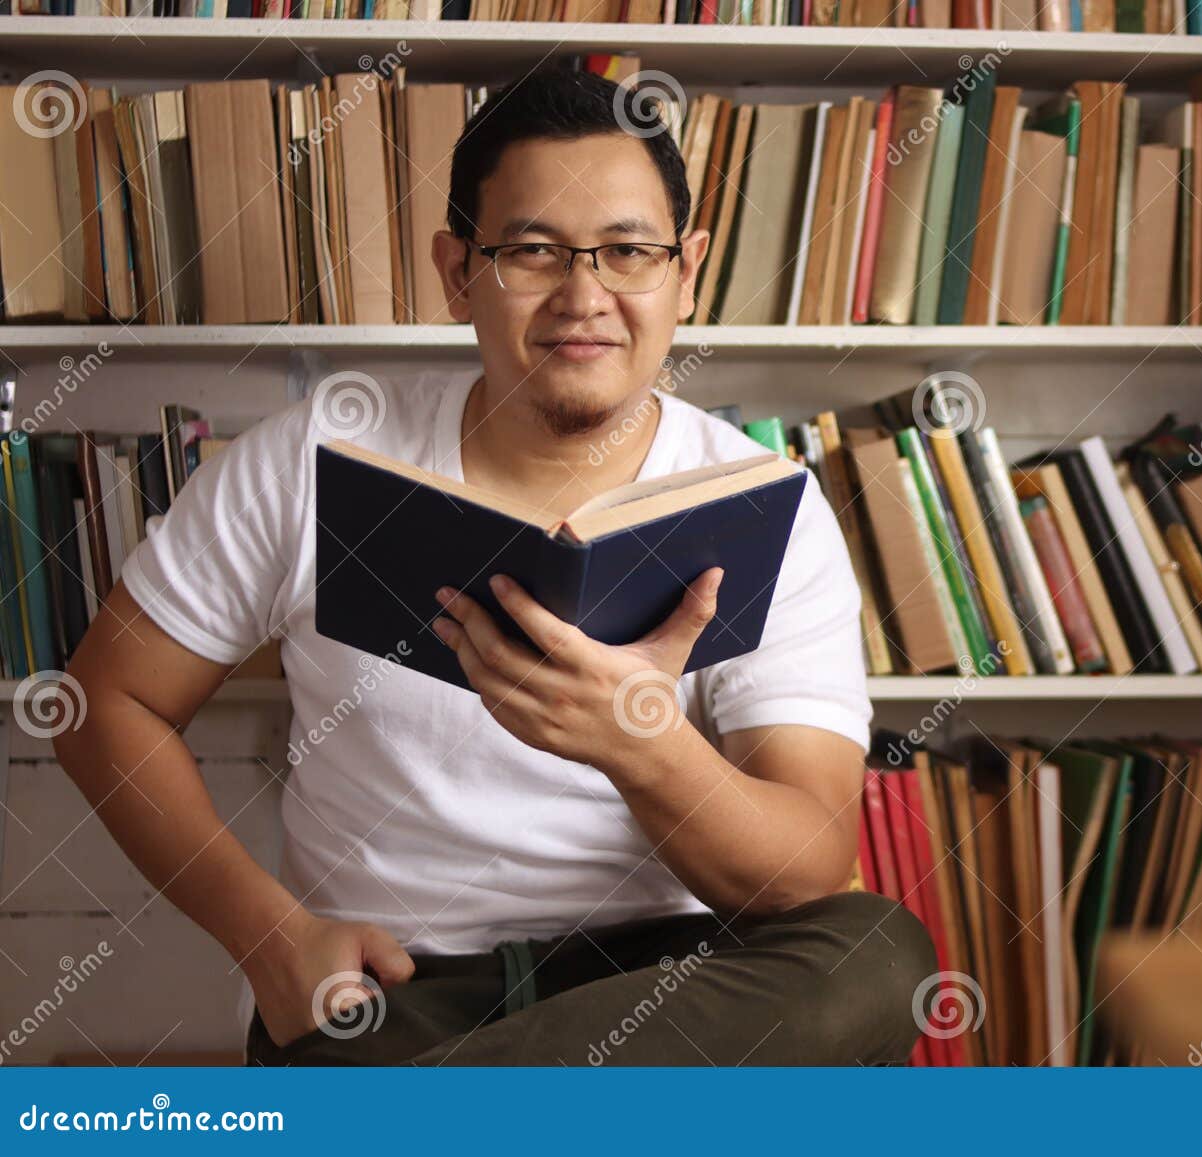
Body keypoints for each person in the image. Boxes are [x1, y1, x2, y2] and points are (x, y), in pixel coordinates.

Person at [55, 69, 934, 1066]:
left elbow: (803, 870)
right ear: (457, 271)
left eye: (628, 251)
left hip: (674, 993)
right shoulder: (314, 460)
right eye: (531, 250)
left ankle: (419, 1121)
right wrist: (269, 936)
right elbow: (103, 702)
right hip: (399, 988)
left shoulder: (768, 507)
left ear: (685, 271)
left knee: (879, 951)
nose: (584, 297)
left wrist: (640, 742)